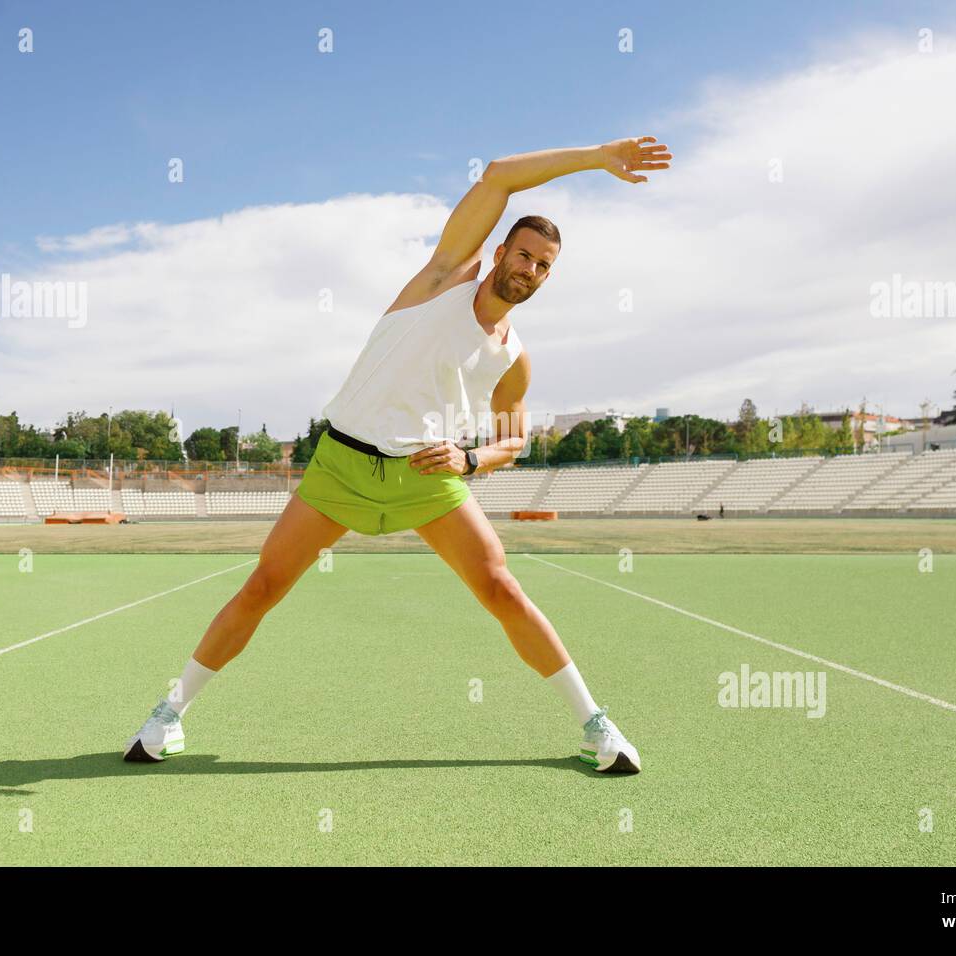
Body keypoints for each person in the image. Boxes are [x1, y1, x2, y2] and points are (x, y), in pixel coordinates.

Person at [124, 136, 673, 773]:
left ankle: (597, 728)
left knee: (501, 589)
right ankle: (168, 716)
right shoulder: (440, 279)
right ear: (499, 251)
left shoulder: (513, 356)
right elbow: (497, 176)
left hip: (424, 479)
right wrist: (599, 156)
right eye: (524, 254)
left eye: (545, 265)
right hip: (343, 467)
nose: (531, 269)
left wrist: (470, 462)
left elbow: (514, 441)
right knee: (263, 587)